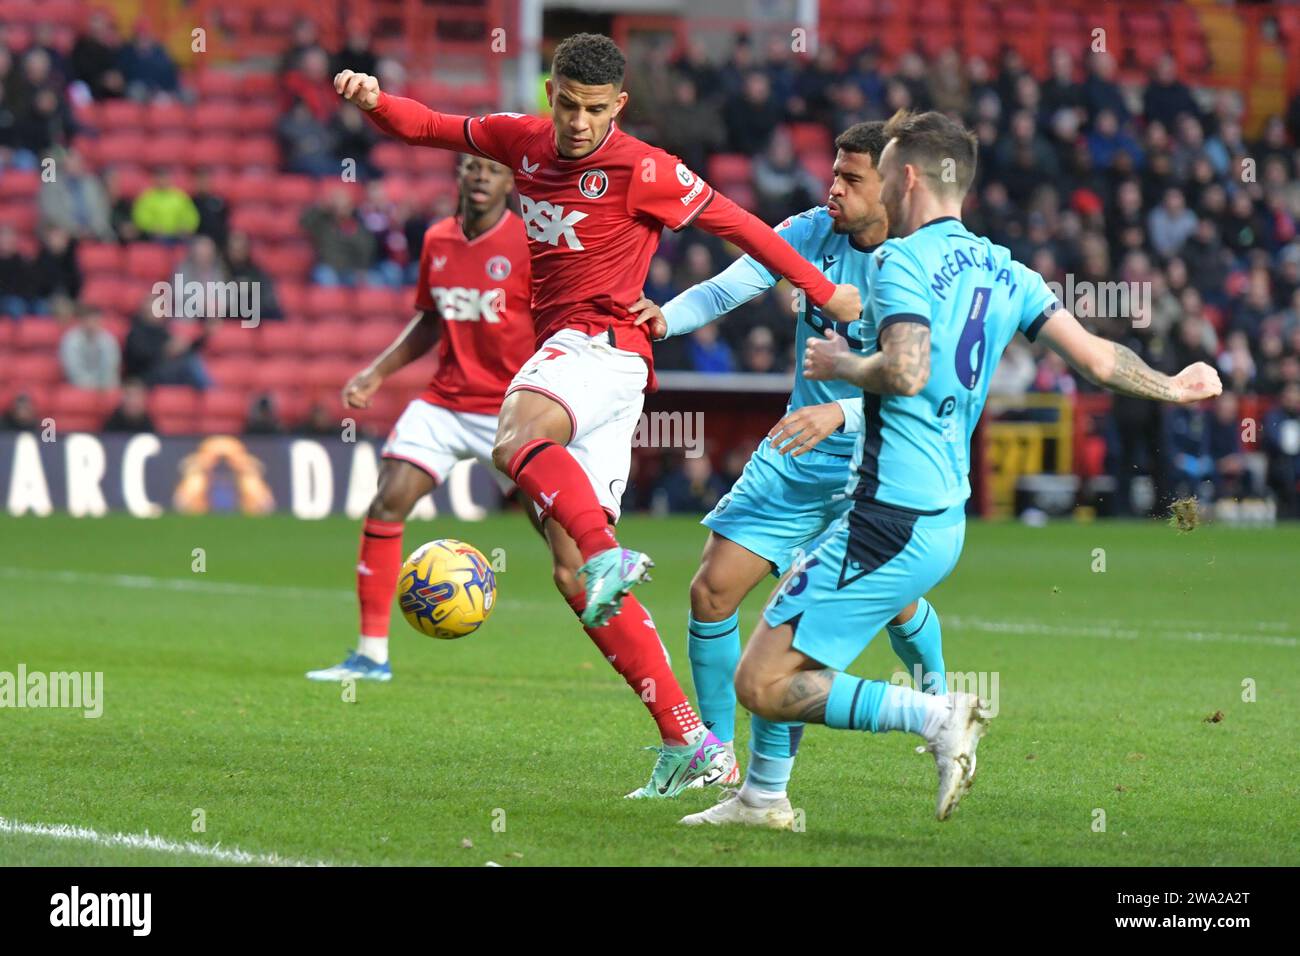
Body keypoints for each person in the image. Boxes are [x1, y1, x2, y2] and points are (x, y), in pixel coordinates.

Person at [334, 31, 860, 797]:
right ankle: (690, 740)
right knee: (575, 577)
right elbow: (430, 127)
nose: (578, 123)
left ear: (619, 105)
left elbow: (740, 226)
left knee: (515, 438)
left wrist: (824, 290)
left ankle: (607, 550)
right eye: (568, 105)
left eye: (594, 110)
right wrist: (375, 100)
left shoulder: (645, 169)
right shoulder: (521, 140)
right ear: (551, 94)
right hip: (600, 370)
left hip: (599, 345)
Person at [681, 109, 1221, 829]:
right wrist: (1174, 386)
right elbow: (1099, 360)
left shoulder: (900, 262)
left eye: (881, 172)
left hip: (885, 515)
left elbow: (904, 371)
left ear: (907, 177)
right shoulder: (1008, 269)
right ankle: (762, 798)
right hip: (942, 518)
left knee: (762, 679)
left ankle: (936, 715)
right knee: (789, 634)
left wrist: (844, 366)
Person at [631, 120, 950, 793]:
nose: (834, 189)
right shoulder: (810, 230)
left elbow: (931, 380)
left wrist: (843, 411)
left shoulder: (924, 261)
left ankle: (940, 703)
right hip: (799, 455)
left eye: (852, 179)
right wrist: (667, 319)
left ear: (892, 187)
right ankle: (714, 755)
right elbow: (731, 285)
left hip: (882, 460)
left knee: (895, 605)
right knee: (712, 590)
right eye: (834, 174)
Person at [306, 153, 540, 683]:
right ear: (459, 175)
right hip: (446, 403)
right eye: (472, 167)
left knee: (564, 543)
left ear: (510, 181)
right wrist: (376, 373)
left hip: (512, 409)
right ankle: (371, 656)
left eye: (493, 170)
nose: (481, 177)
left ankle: (629, 650)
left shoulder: (529, 244)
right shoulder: (437, 239)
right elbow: (431, 320)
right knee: (388, 500)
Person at [59, 306, 120, 389]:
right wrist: (89, 386)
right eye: (88, 320)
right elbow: (72, 368)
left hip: (104, 386)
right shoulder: (71, 339)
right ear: (82, 321)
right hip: (78, 385)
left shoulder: (108, 339)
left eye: (95, 320)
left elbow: (111, 366)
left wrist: (102, 385)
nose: (91, 324)